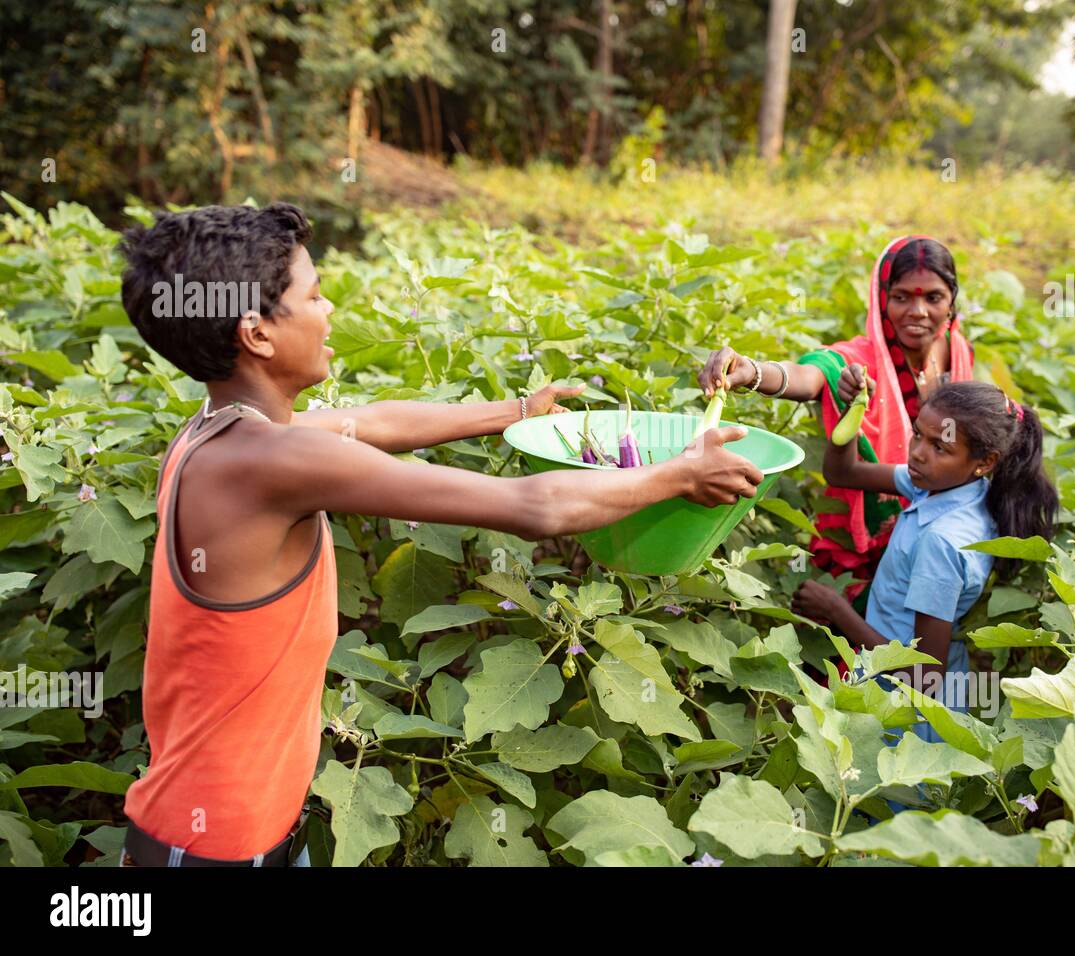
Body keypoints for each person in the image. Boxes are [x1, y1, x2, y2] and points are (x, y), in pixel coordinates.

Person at [114, 203, 763, 866]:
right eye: (313, 294)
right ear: (257, 333)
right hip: (213, 847)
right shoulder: (266, 463)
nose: (329, 307)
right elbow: (533, 507)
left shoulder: (218, 435)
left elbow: (368, 424)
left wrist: (512, 412)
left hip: (228, 830)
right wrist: (680, 474)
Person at [697, 236, 975, 621]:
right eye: (900, 298)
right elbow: (810, 376)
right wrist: (753, 372)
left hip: (933, 538)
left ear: (952, 301)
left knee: (918, 650)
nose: (918, 311)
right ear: (881, 299)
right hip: (856, 541)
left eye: (933, 297)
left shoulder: (958, 352)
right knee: (845, 658)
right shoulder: (860, 359)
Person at [794, 380, 1058, 749]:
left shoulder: (942, 541)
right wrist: (853, 408)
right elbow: (844, 472)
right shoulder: (945, 486)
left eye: (939, 446)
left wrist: (836, 611)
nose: (918, 453)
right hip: (909, 686)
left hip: (909, 715)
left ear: (985, 462)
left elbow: (923, 675)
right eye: (917, 434)